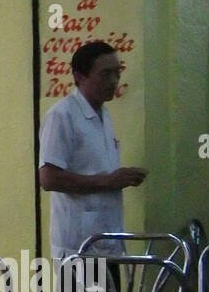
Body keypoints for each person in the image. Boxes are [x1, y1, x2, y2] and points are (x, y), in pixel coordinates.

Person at [39, 39, 148, 264]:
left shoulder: (103, 115)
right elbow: (48, 178)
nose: (114, 81)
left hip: (107, 244)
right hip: (77, 249)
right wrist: (108, 181)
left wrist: (120, 178)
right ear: (80, 77)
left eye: (117, 73)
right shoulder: (62, 116)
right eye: (105, 74)